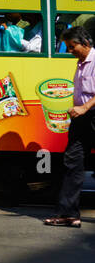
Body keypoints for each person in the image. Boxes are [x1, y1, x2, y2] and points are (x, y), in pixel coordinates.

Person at [45, 26, 95, 227]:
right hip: (81, 119)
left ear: (85, 44)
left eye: (72, 46)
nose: (69, 50)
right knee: (72, 163)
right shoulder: (81, 63)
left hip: (90, 114)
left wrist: (84, 107)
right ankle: (68, 214)